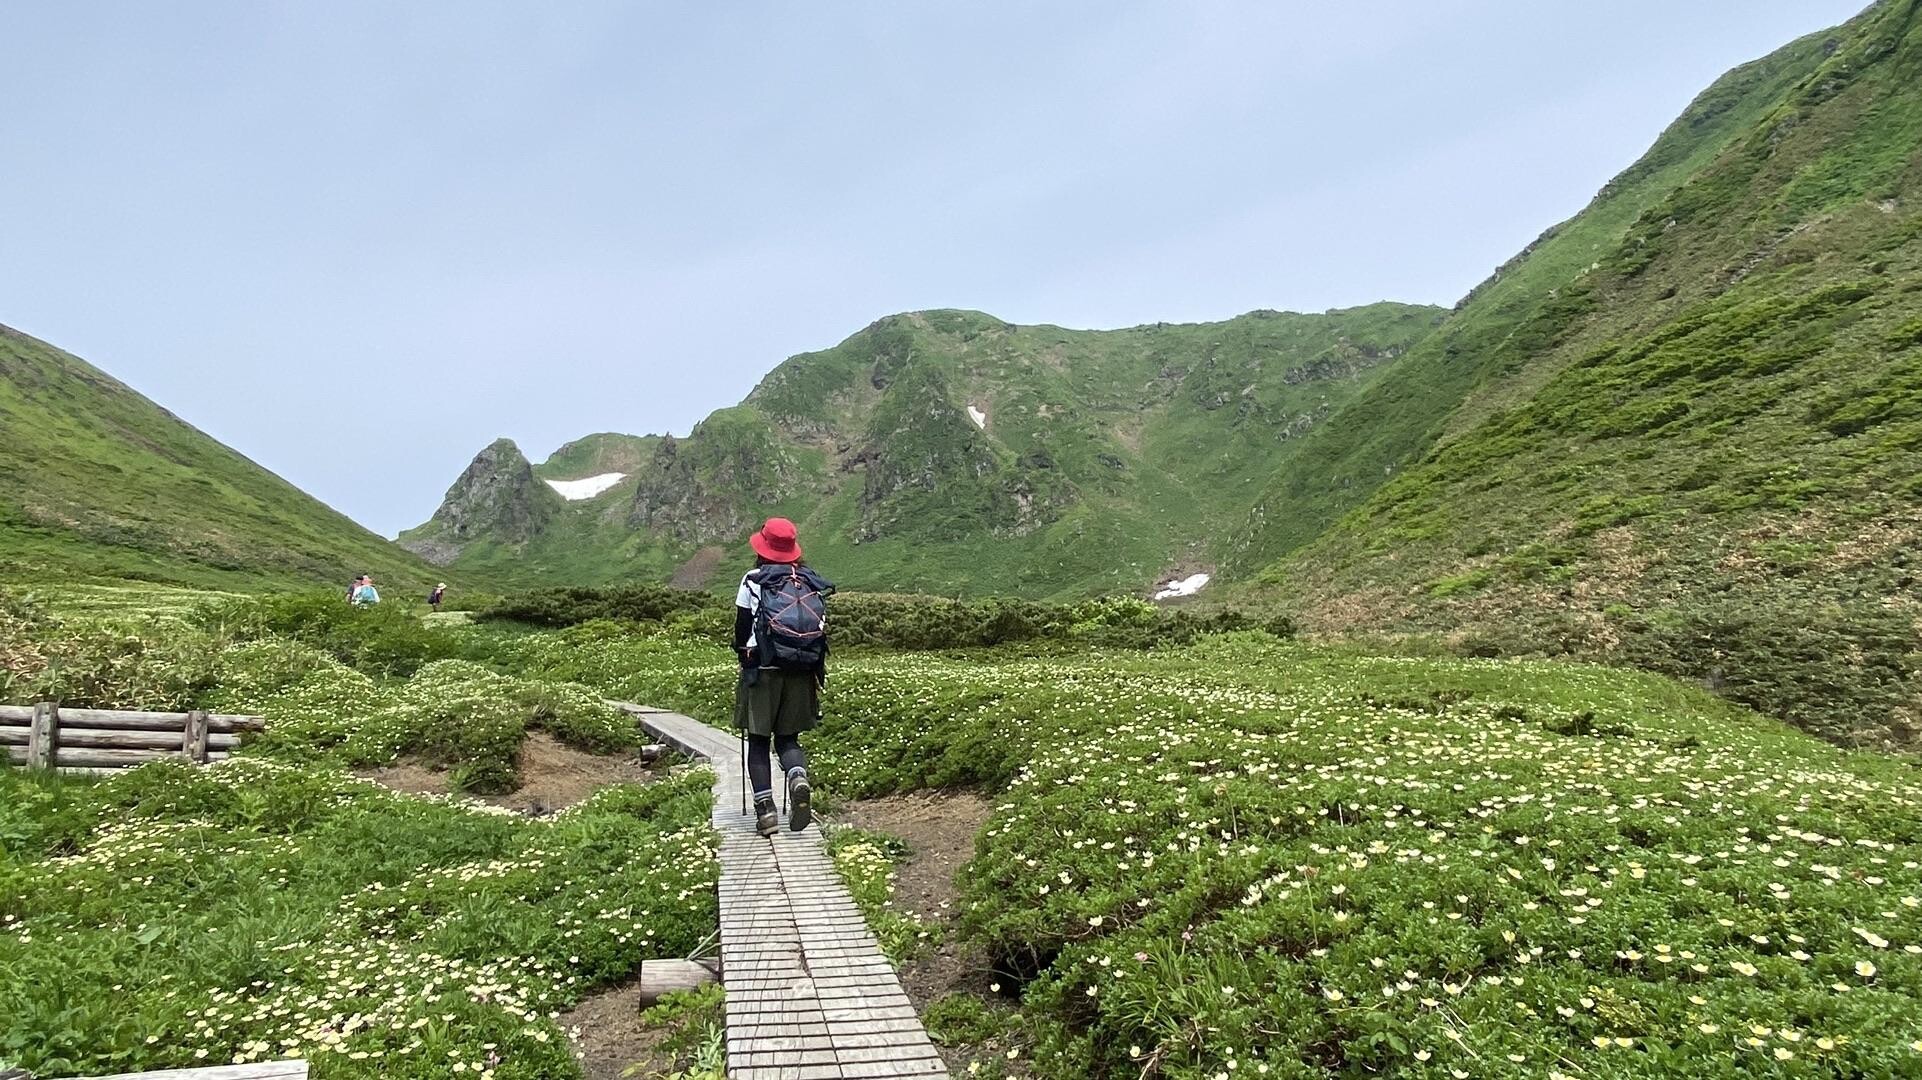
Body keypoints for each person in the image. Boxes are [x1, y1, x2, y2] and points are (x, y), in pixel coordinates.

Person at [734, 517, 833, 837]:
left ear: (762, 548)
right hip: (802, 670)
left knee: (759, 740)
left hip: (762, 669)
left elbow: (741, 629)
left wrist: (744, 658)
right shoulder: (809, 581)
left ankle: (766, 813)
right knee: (789, 738)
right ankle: (797, 776)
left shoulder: (753, 580)